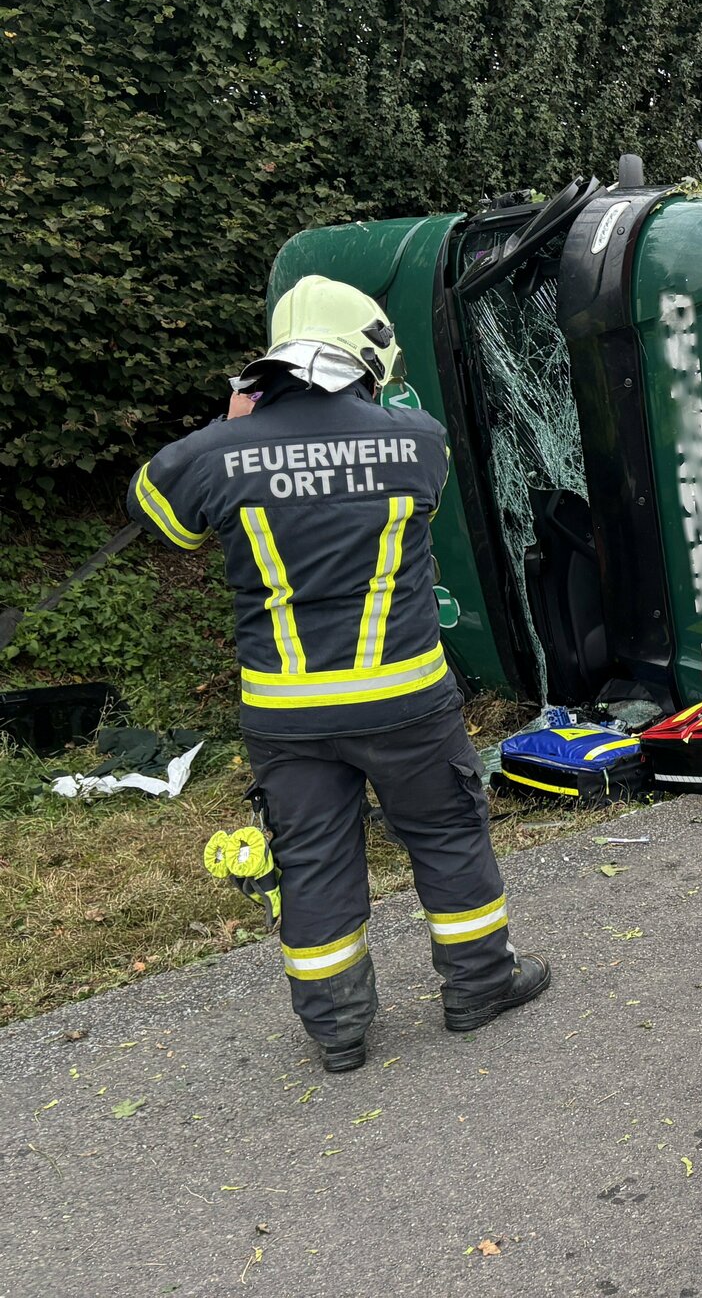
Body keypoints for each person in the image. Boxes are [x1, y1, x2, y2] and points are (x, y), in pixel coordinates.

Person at [126, 275, 547, 1074]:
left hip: (288, 716)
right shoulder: (418, 439)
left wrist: (232, 426)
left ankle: (338, 1031)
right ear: (364, 353)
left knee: (313, 860)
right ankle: (479, 988)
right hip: (407, 701)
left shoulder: (218, 454)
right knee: (448, 835)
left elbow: (157, 511)